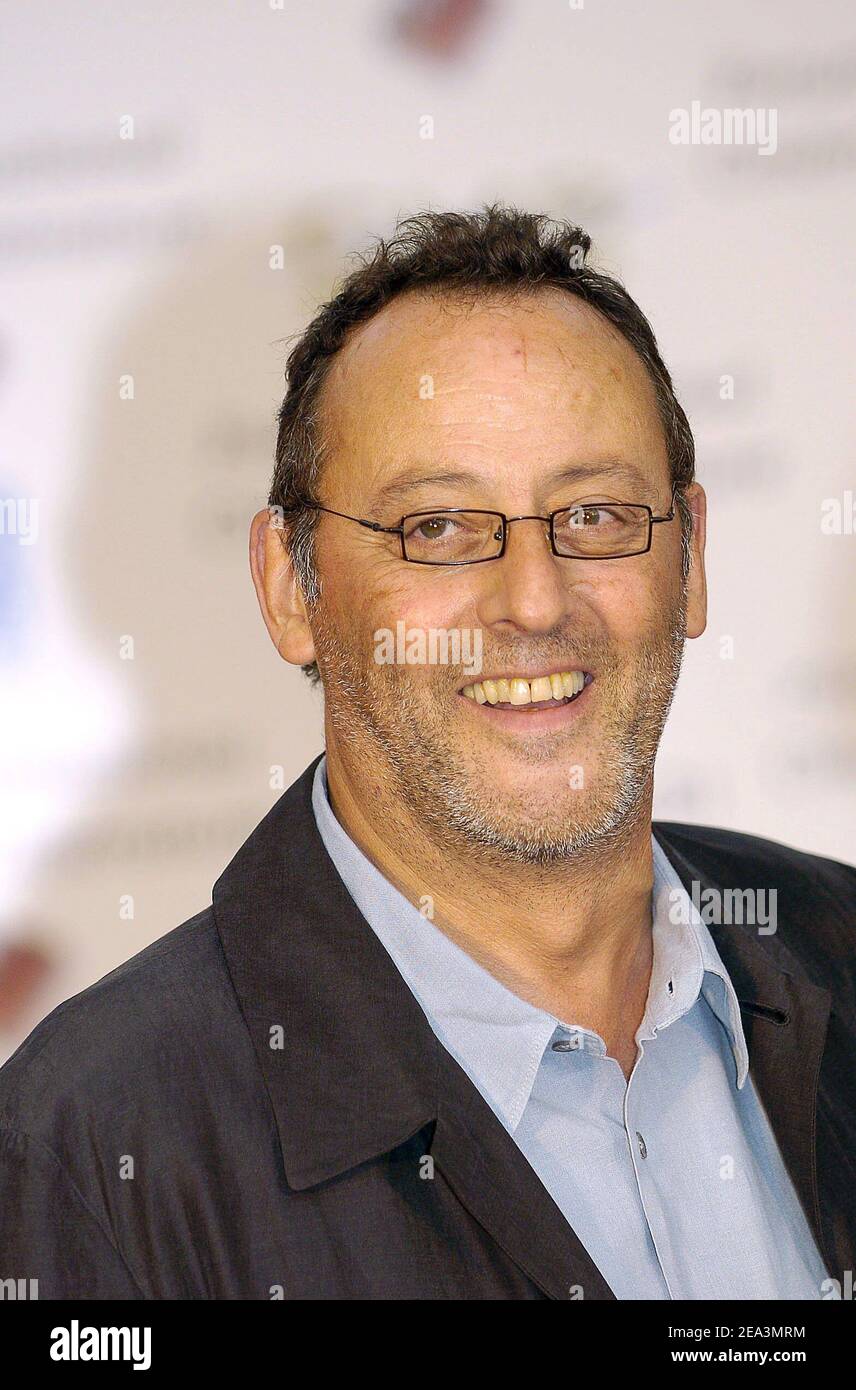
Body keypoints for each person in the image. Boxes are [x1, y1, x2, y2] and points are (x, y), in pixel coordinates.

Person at [1, 204, 854, 1300]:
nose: (536, 600)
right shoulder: (93, 1152)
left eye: (594, 513)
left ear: (689, 561)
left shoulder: (830, 947)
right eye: (438, 528)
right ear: (288, 587)